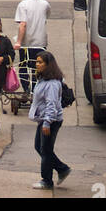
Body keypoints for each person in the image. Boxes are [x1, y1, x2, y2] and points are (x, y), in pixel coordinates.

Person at [29, 51, 71, 190]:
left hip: (51, 121)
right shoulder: (43, 79)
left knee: (46, 150)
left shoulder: (53, 83)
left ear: (48, 65)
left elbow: (52, 104)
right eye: (37, 62)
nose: (37, 65)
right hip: (43, 119)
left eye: (40, 62)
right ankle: (62, 169)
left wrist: (47, 122)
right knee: (39, 147)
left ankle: (47, 180)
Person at [14, 0, 50, 95]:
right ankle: (36, 89)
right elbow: (46, 16)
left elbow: (22, 24)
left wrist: (18, 41)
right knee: (38, 67)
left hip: (26, 43)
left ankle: (26, 89)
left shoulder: (23, 5)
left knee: (24, 66)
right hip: (41, 43)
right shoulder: (45, 4)